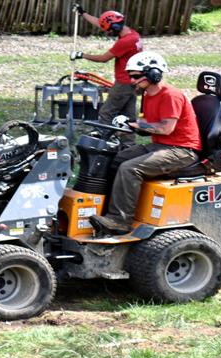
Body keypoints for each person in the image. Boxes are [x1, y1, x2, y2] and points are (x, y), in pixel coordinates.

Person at [91, 52, 202, 235]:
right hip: (161, 146)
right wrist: (127, 125)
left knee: (129, 168)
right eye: (130, 76)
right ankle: (106, 209)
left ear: (153, 74)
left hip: (182, 150)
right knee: (114, 159)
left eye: (135, 76)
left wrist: (134, 125)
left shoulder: (170, 95)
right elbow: (147, 125)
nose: (132, 81)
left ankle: (120, 221)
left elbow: (166, 128)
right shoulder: (148, 95)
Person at [68, 6, 145, 124]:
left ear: (115, 27)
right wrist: (83, 13)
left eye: (109, 31)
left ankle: (103, 140)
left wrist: (81, 55)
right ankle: (128, 142)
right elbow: (100, 23)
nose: (107, 33)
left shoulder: (125, 42)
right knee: (128, 116)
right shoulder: (131, 33)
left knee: (106, 113)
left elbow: (103, 58)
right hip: (133, 81)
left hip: (123, 83)